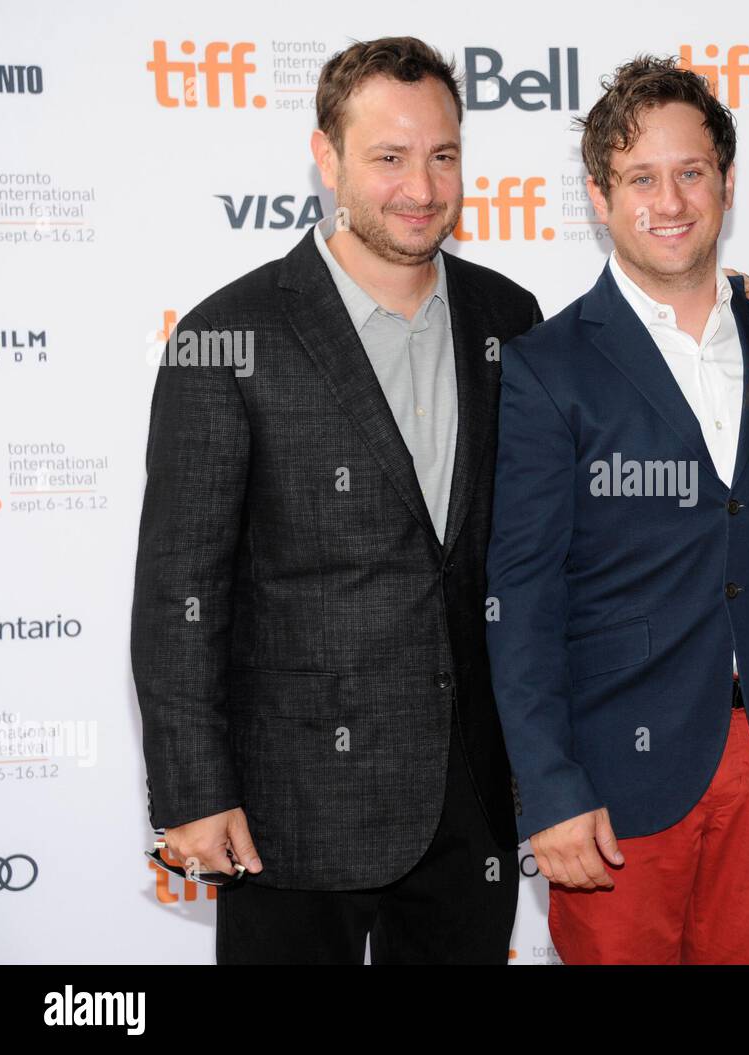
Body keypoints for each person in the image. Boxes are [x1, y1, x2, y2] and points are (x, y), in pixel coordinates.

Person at [131, 37, 542, 964]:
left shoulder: (508, 319)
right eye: (389, 157)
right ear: (327, 159)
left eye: (442, 155)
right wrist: (193, 788)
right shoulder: (227, 335)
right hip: (290, 809)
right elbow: (178, 591)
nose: (422, 186)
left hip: (468, 798)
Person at [485, 56, 749, 965]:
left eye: (691, 171)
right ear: (599, 195)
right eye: (639, 178)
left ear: (728, 181)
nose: (669, 200)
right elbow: (522, 596)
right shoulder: (549, 367)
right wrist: (546, 789)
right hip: (616, 778)